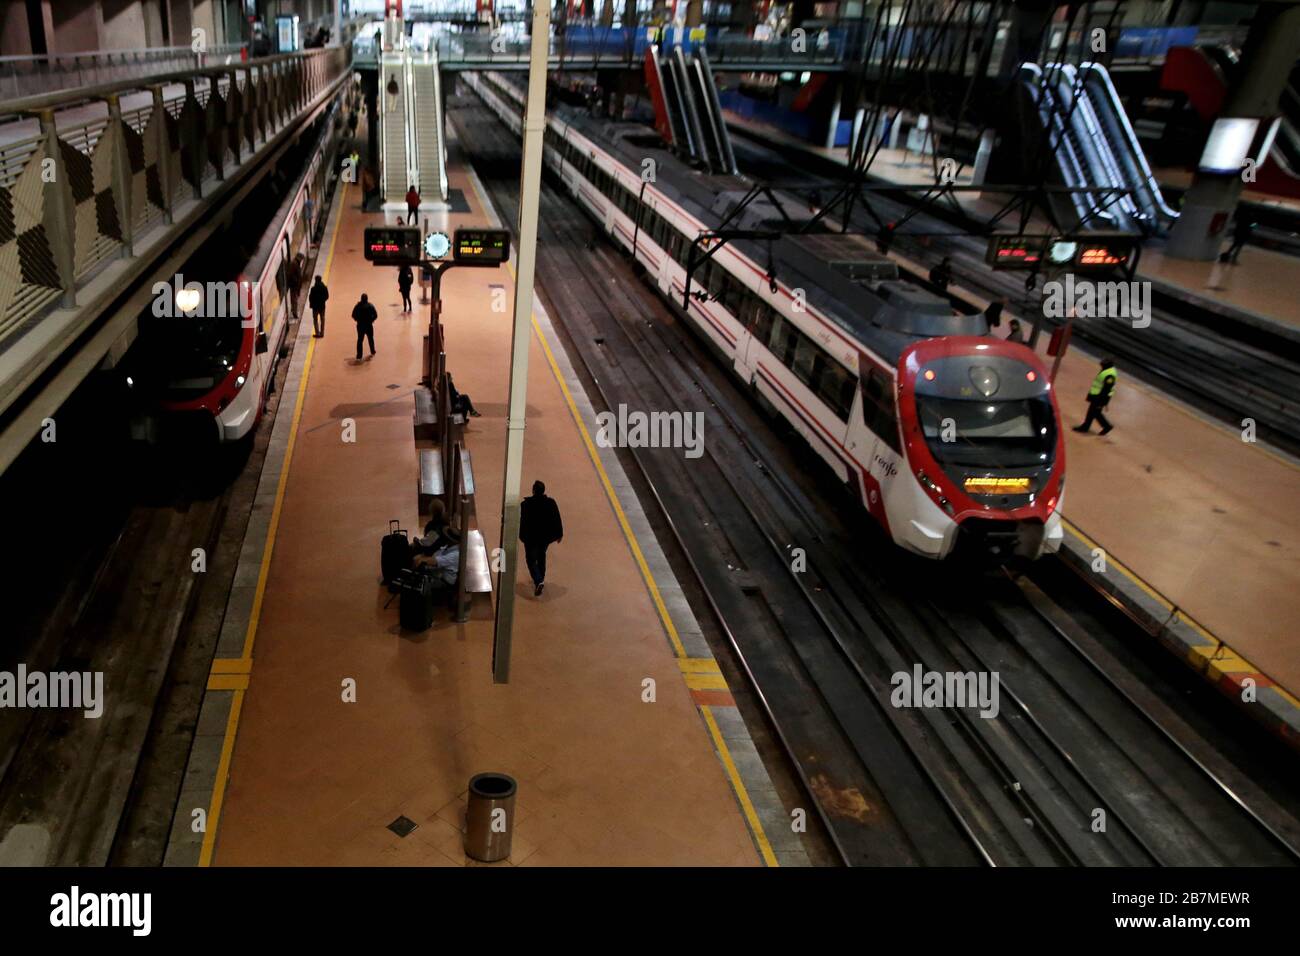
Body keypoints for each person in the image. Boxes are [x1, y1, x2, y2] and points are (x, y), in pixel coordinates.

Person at [519, 480, 563, 596]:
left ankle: (539, 580)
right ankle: (540, 579)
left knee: (530, 559)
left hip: (530, 537)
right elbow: (557, 518)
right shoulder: (550, 503)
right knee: (541, 555)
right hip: (545, 537)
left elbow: (523, 522)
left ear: (533, 490)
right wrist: (559, 534)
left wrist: (522, 536)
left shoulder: (526, 505)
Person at [1073, 358, 1118, 436]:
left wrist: (1101, 401)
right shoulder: (1107, 370)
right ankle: (1106, 426)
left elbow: (1106, 389)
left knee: (1093, 412)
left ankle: (1087, 427)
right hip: (1097, 395)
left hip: (1100, 397)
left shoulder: (1110, 375)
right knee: (1095, 413)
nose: (1101, 365)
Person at [352, 293, 378, 361]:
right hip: (369, 325)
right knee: (370, 338)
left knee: (360, 340)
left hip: (360, 325)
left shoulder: (358, 306)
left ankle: (359, 355)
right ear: (367, 299)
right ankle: (372, 351)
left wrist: (357, 320)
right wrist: (372, 320)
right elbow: (375, 315)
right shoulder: (370, 306)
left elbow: (353, 315)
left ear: (361, 299)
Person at [286, 252, 305, 318]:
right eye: (301, 259)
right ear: (299, 258)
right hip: (294, 285)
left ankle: (294, 311)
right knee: (294, 300)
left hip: (295, 285)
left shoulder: (296, 263)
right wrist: (296, 281)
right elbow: (291, 275)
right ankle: (294, 313)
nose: (302, 260)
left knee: (294, 299)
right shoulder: (294, 264)